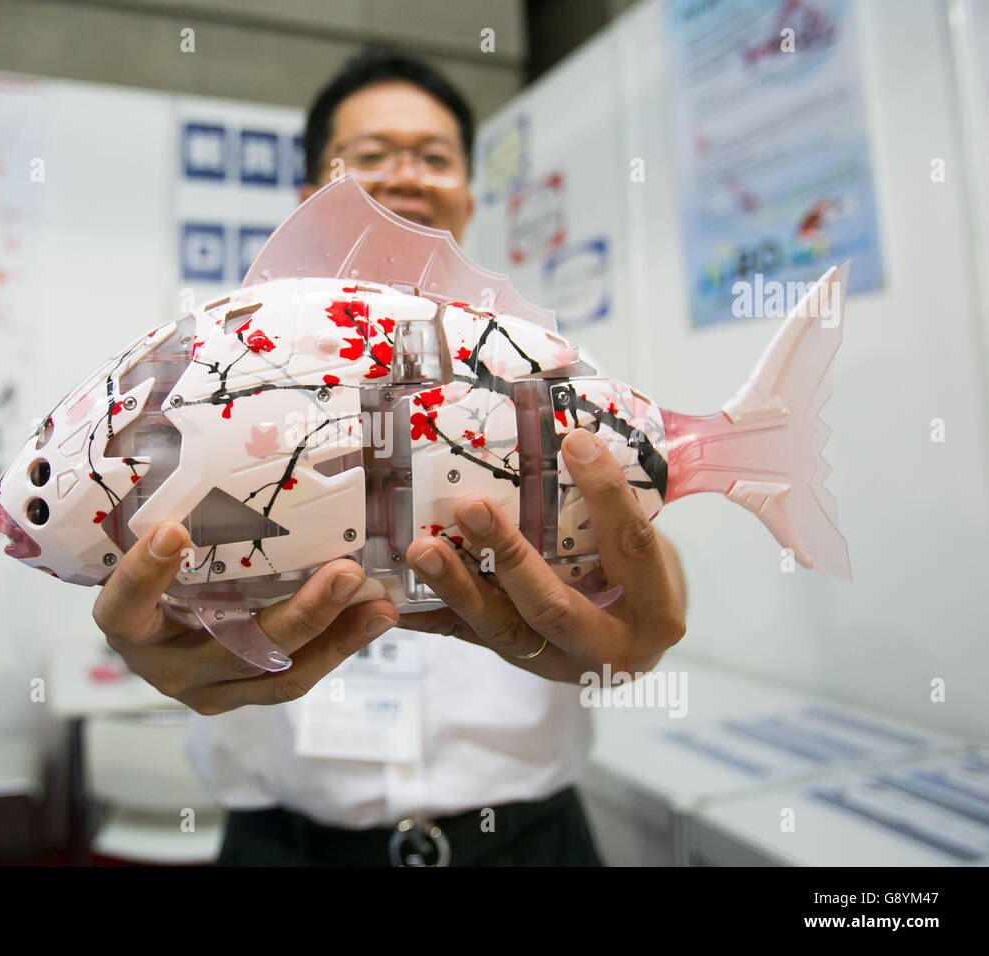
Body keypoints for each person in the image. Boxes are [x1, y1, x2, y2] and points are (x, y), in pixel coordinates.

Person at [92, 46, 687, 866]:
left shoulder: (547, 370)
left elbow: (632, 555)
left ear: (468, 197)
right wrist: (148, 641)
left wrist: (646, 624)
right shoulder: (216, 374)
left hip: (523, 840)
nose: (408, 173)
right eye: (371, 155)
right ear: (311, 197)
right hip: (288, 844)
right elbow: (134, 570)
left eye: (435, 156)